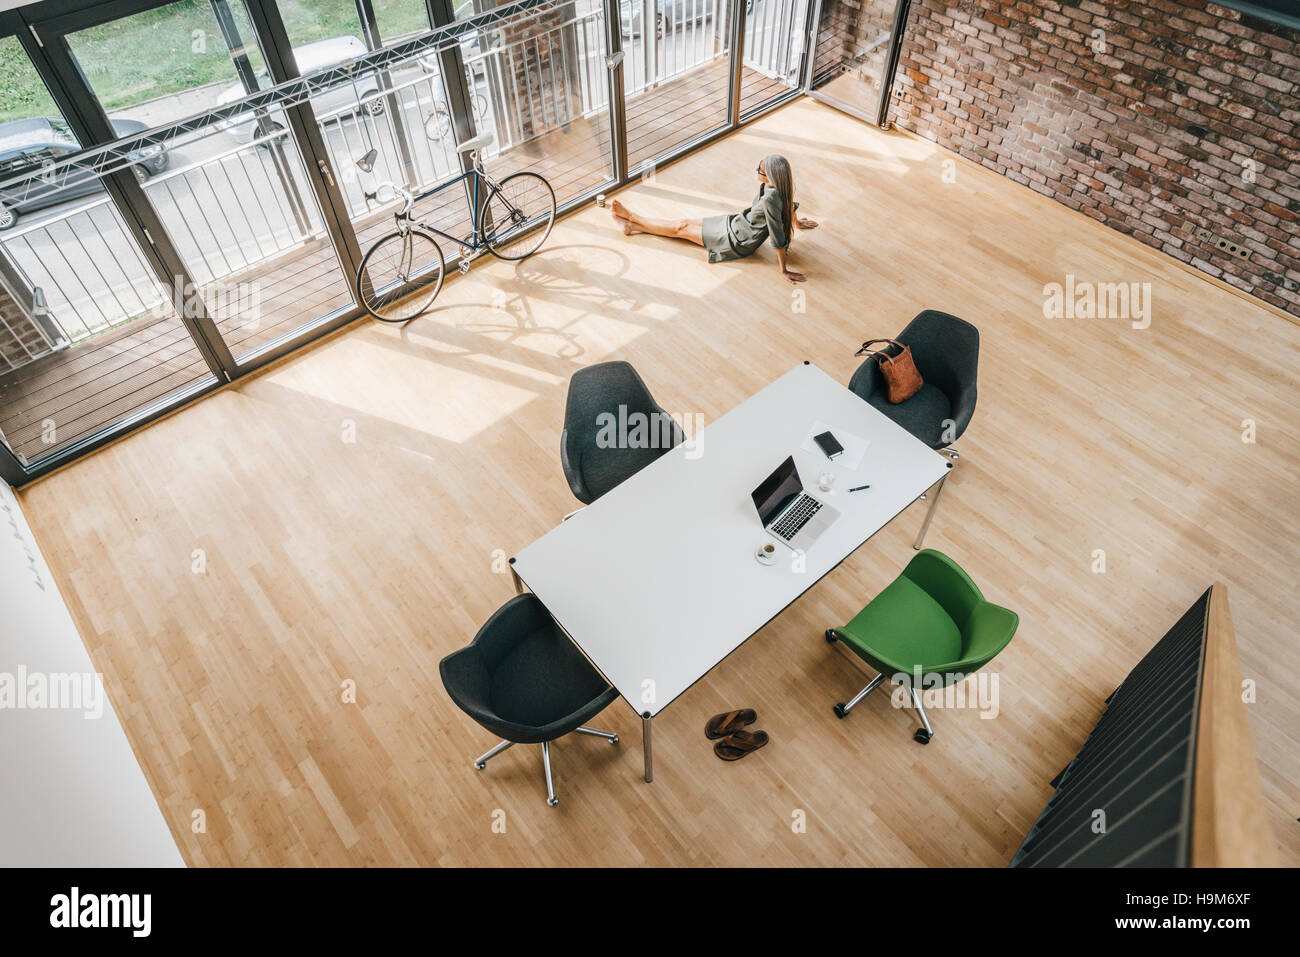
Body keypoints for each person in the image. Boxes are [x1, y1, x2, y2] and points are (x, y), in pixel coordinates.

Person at [610, 154, 819, 283]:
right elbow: (789, 205)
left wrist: (783, 270)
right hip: (735, 224)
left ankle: (632, 217)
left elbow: (777, 235)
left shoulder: (771, 197)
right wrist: (797, 223)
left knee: (679, 228)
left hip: (735, 240)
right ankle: (631, 227)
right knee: (683, 223)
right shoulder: (774, 187)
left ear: (771, 176)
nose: (756, 171)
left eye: (760, 170)